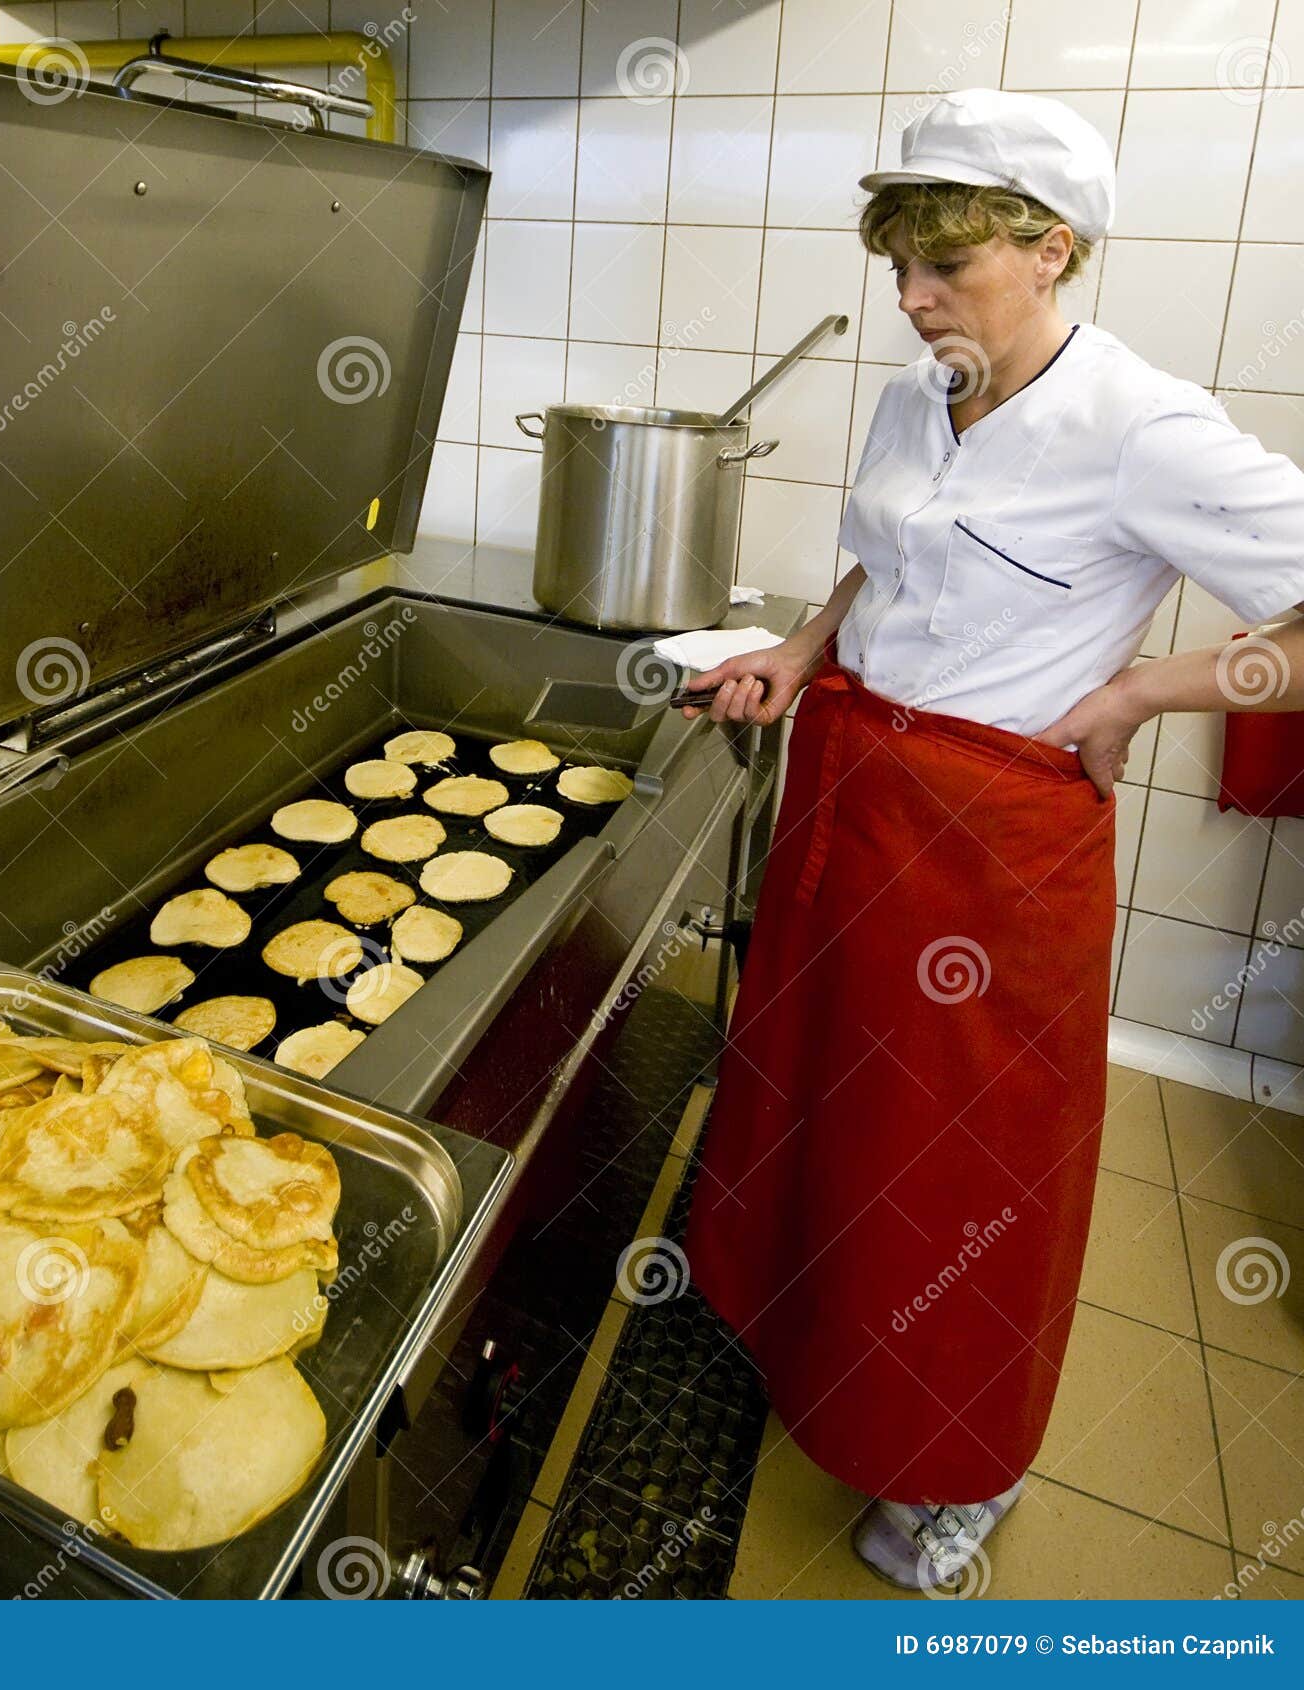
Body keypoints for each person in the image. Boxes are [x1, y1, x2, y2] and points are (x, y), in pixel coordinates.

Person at [682, 87, 1304, 1592]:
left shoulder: (1142, 427)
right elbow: (880, 554)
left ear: (1051, 248)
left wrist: (1150, 687)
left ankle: (967, 1468)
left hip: (995, 847)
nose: (910, 296)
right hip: (854, 798)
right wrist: (800, 648)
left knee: (966, 1174)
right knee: (828, 1104)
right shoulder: (923, 386)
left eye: (946, 264)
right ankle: (812, 1345)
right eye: (899, 258)